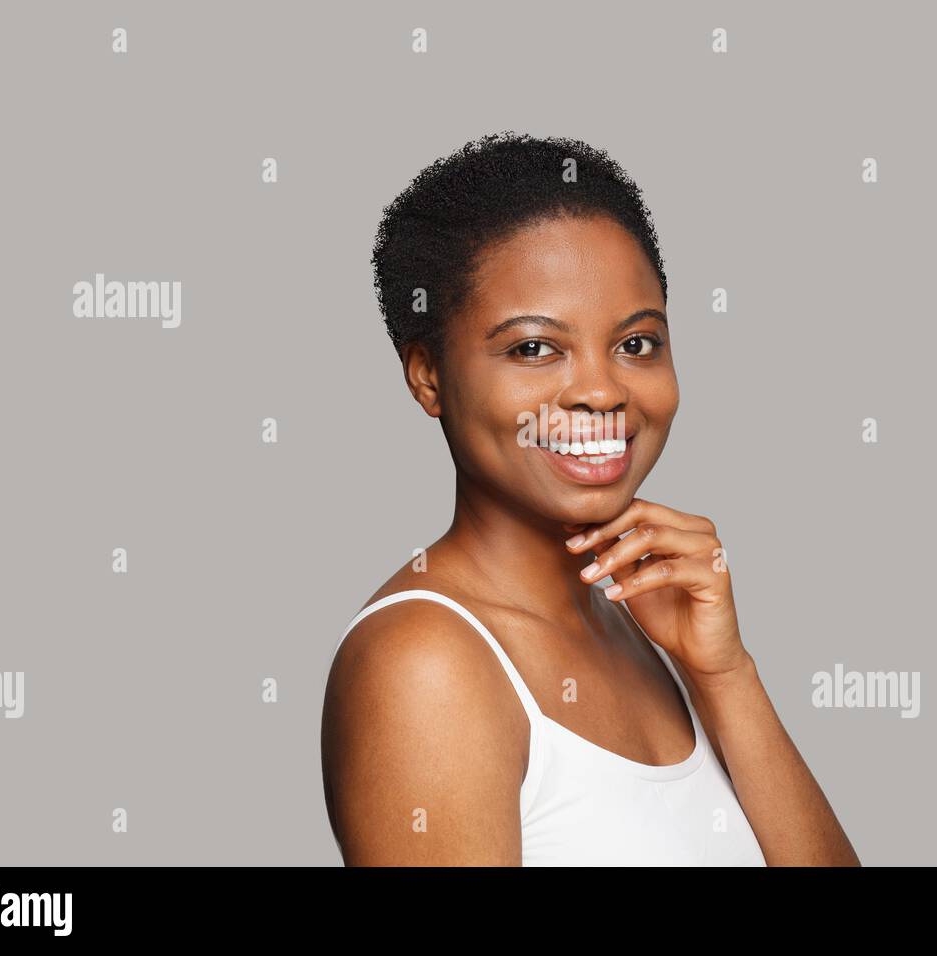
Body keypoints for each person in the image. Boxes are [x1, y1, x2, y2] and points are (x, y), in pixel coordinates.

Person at [321, 131, 860, 866]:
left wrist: (725, 674)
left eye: (637, 343)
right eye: (534, 349)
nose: (603, 391)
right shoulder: (426, 664)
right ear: (428, 376)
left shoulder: (650, 630)